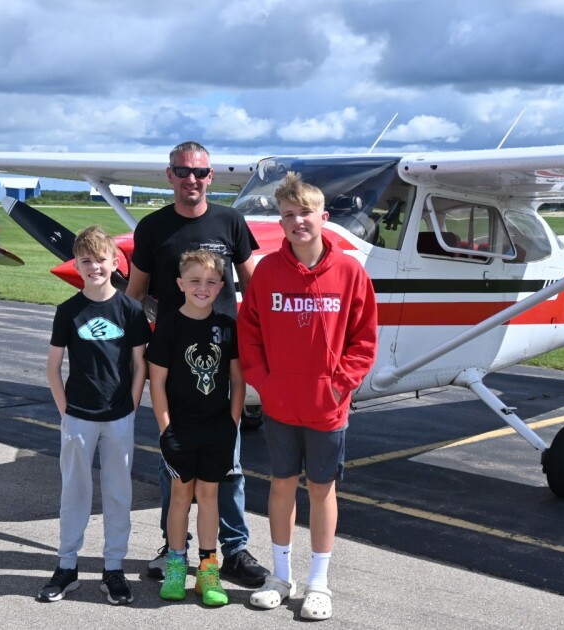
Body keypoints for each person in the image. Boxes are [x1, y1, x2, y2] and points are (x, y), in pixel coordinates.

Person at [127, 140, 269, 587]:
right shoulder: (152, 228)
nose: (193, 180)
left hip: (222, 355)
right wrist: (123, 352)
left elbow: (256, 290)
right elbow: (134, 295)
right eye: (183, 172)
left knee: (229, 468)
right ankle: (175, 550)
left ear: (211, 177)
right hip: (174, 362)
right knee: (174, 466)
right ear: (169, 175)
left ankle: (234, 549)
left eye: (201, 173)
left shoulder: (231, 221)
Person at [237, 173, 378, 621]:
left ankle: (319, 582)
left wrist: (340, 384)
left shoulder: (351, 271)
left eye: (305, 213)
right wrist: (265, 382)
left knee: (321, 489)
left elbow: (364, 340)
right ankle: (281, 577)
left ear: (324, 216)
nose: (298, 221)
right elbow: (250, 334)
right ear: (281, 220)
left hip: (327, 406)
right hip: (281, 404)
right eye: (288, 215)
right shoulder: (267, 272)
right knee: (281, 486)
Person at [38, 226, 150, 606]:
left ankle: (113, 568)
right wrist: (64, 410)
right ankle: (67, 567)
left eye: (101, 259)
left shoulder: (131, 310)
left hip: (119, 416)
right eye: (85, 260)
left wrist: (132, 408)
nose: (94, 267)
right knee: (75, 492)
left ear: (115, 262)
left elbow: (139, 364)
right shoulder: (68, 311)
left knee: (119, 494)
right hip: (79, 416)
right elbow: (54, 366)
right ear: (77, 264)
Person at [146, 250, 245, 605]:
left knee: (209, 497)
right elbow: (156, 382)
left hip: (217, 428)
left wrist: (232, 423)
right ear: (180, 284)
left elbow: (236, 380)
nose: (202, 288)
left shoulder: (227, 327)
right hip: (181, 428)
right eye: (194, 281)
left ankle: (208, 570)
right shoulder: (169, 326)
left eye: (210, 282)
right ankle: (176, 564)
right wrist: (165, 427)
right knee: (179, 496)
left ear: (220, 286)